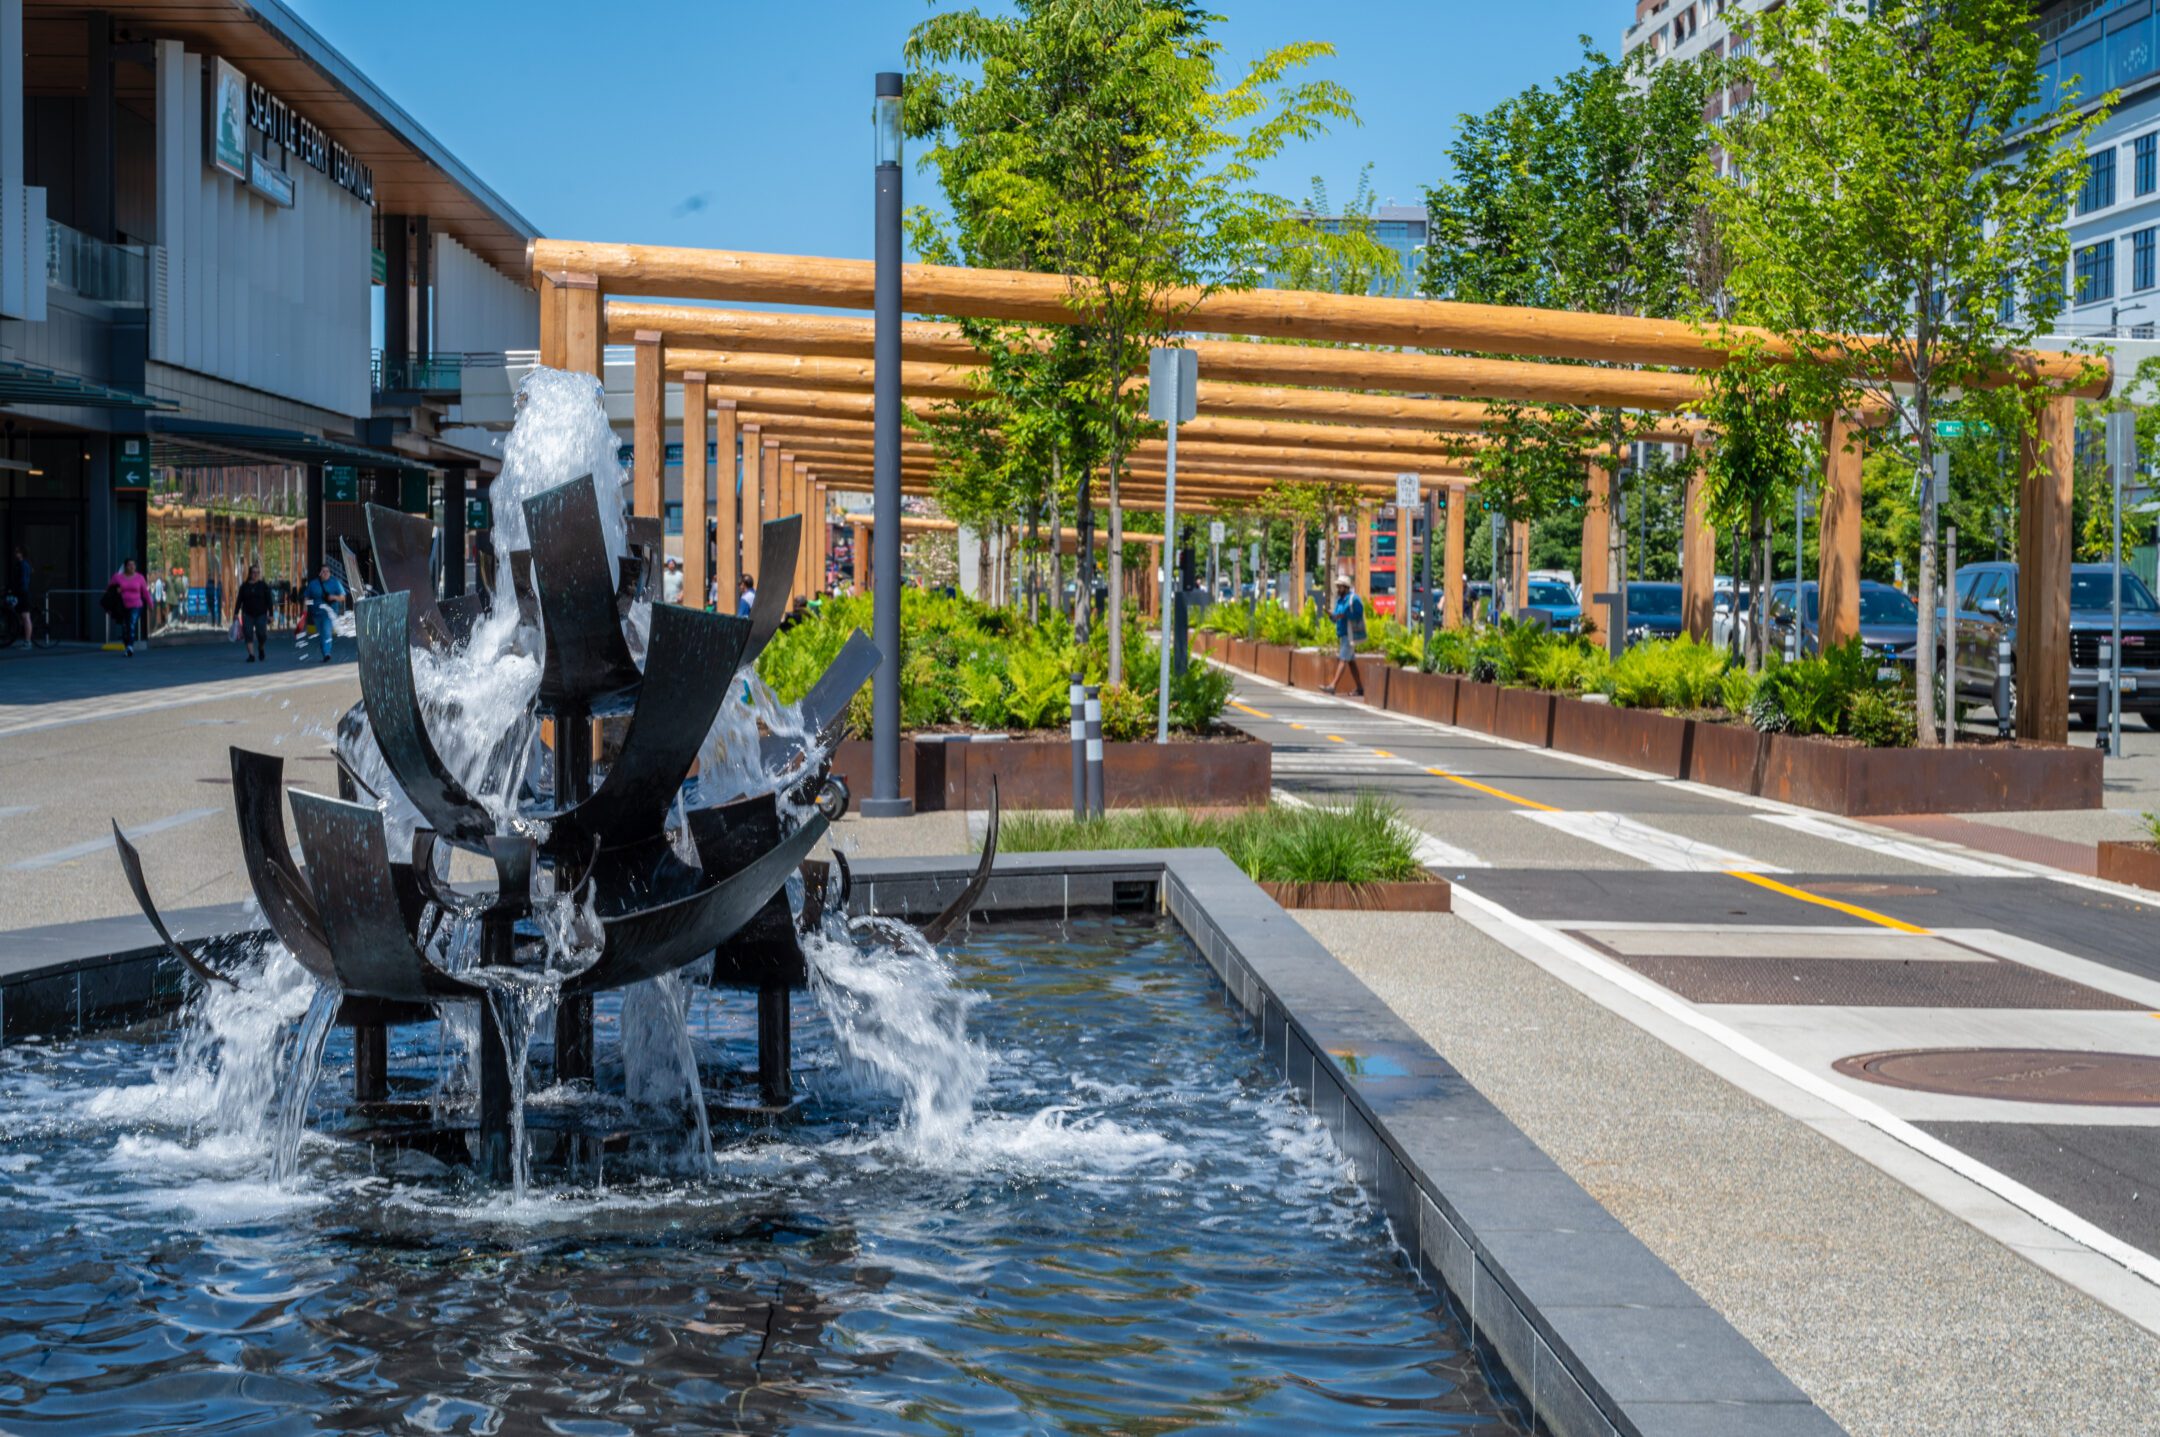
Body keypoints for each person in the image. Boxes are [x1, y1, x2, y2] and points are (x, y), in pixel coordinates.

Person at [1326, 574, 1367, 698]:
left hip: (1350, 634)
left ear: (1346, 587)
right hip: (1343, 633)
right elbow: (1336, 617)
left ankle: (1333, 686)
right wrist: (1332, 616)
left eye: (1340, 587)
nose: (1338, 589)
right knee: (1351, 662)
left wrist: (1344, 615)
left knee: (1343, 659)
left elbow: (1358, 614)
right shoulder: (1340, 600)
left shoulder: (1354, 599)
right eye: (1338, 586)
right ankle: (1360, 688)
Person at [301, 563, 348, 662]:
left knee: (326, 631)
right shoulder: (313, 584)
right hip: (316, 613)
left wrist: (334, 597)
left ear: (330, 573)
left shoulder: (335, 583)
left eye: (327, 571)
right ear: (320, 573)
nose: (325, 573)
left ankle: (327, 653)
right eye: (323, 571)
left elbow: (343, 597)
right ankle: (325, 652)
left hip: (329, 613)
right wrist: (305, 611)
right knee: (322, 633)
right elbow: (306, 598)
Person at [110, 558, 149, 656]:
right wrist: (116, 590)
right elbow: (109, 588)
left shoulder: (139, 577)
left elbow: (145, 592)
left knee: (131, 624)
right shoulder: (118, 577)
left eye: (133, 565)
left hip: (136, 605)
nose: (132, 567)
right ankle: (127, 645)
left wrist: (150, 603)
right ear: (125, 567)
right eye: (129, 565)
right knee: (125, 627)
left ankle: (130, 646)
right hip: (123, 606)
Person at [237, 564, 273, 663]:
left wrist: (271, 614)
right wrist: (236, 613)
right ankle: (251, 655)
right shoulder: (244, 586)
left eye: (257, 572)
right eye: (254, 572)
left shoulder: (263, 585)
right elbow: (239, 600)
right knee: (248, 634)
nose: (256, 574)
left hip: (261, 614)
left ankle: (261, 647)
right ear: (250, 573)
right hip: (247, 614)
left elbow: (269, 601)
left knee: (262, 634)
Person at [7, 546, 32, 645]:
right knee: (22, 616)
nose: (15, 553)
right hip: (20, 592)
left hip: (23, 593)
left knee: (25, 616)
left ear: (22, 553)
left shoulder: (23, 565)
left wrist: (17, 590)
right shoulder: (18, 564)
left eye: (17, 551)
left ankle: (28, 641)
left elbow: (23, 581)